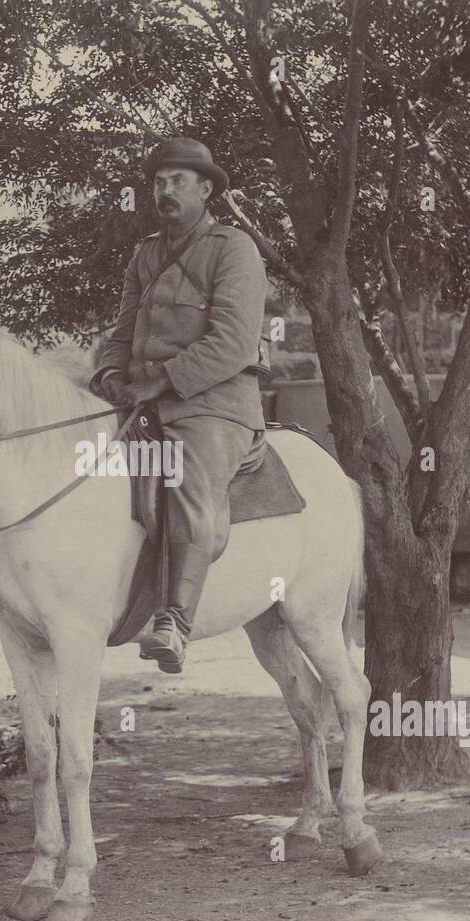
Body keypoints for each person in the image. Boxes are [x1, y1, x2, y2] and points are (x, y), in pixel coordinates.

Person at [90, 137, 267, 673]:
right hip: (144, 402)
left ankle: (174, 622)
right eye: (159, 183)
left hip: (212, 405)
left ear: (206, 188)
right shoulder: (145, 253)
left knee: (186, 480)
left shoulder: (233, 248)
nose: (164, 192)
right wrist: (110, 374)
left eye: (178, 182)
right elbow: (122, 332)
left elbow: (234, 342)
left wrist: (162, 380)